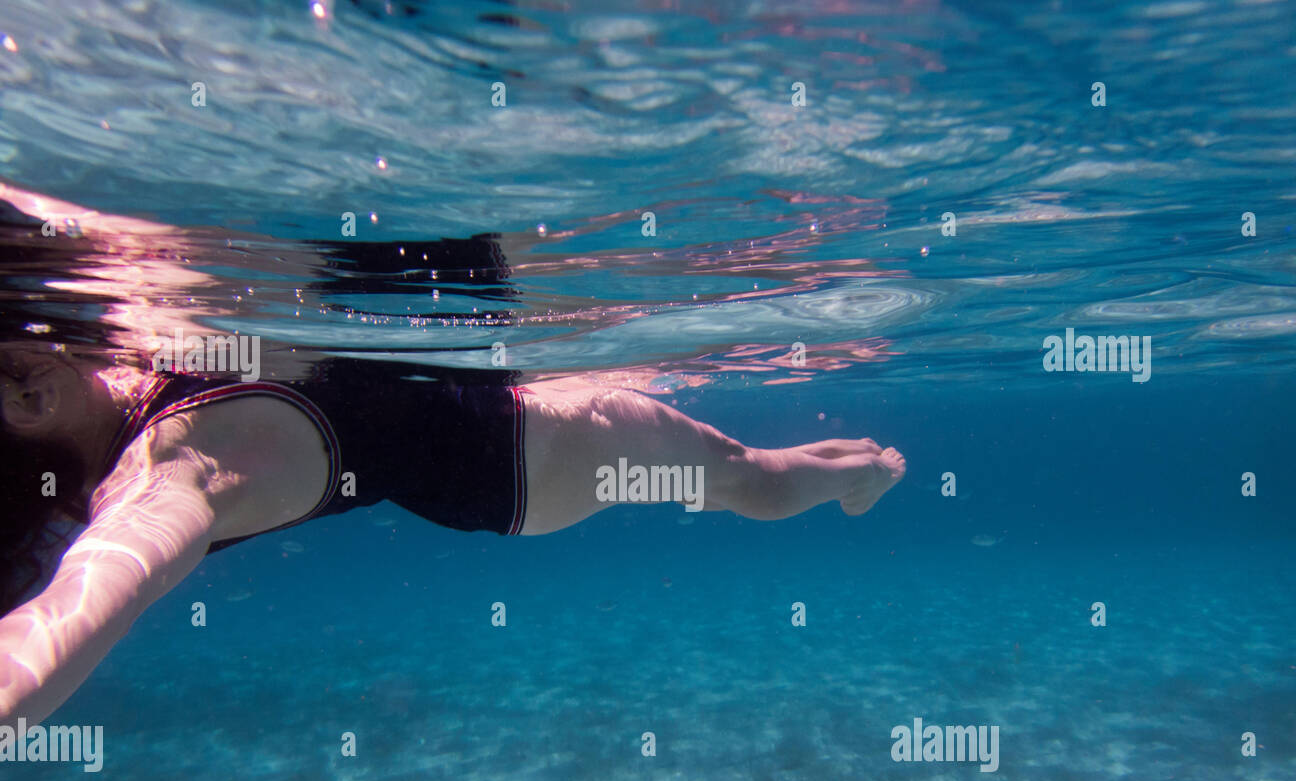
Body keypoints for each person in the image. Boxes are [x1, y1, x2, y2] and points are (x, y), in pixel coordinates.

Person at [0, 187, 906, 732]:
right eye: (28, 344)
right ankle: (862, 474)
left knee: (745, 468)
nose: (70, 341)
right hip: (526, 452)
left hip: (492, 430)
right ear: (28, 396)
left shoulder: (144, 390)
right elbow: (70, 619)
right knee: (748, 477)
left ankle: (856, 465)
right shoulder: (163, 479)